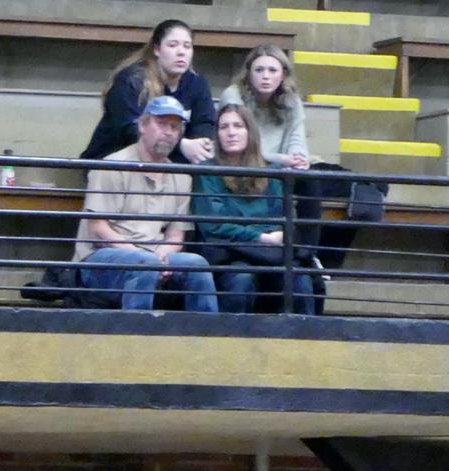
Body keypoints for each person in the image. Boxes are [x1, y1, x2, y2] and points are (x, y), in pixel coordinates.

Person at [222, 44, 358, 282]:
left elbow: (297, 140)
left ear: (283, 74)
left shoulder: (292, 101)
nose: (265, 76)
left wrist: (298, 159)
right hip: (244, 164)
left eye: (272, 70)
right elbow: (239, 144)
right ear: (248, 73)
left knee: (309, 179)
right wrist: (282, 159)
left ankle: (307, 253)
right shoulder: (233, 96)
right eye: (259, 70)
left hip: (280, 168)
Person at [73, 97, 220, 314]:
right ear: (142, 126)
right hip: (100, 258)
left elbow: (176, 235)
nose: (168, 132)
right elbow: (98, 228)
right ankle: (138, 331)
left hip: (153, 255)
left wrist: (161, 257)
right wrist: (149, 259)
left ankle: (207, 331)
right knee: (144, 266)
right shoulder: (112, 166)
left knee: (196, 265)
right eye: (161, 124)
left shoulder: (181, 177)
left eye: (174, 127)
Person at [194, 107, 316, 315]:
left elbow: (280, 219)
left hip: (270, 254)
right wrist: (260, 237)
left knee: (300, 280)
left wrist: (268, 236)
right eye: (224, 127)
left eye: (238, 126)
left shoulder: (272, 172)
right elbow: (214, 226)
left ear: (250, 132)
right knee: (241, 279)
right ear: (217, 135)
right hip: (231, 254)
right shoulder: (207, 172)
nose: (231, 132)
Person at [82, 19, 217, 165]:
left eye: (187, 46)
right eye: (173, 45)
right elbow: (129, 130)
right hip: (114, 161)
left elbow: (205, 122)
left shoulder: (196, 83)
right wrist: (181, 145)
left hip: (167, 163)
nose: (181, 52)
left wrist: (199, 144)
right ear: (156, 49)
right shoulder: (131, 80)